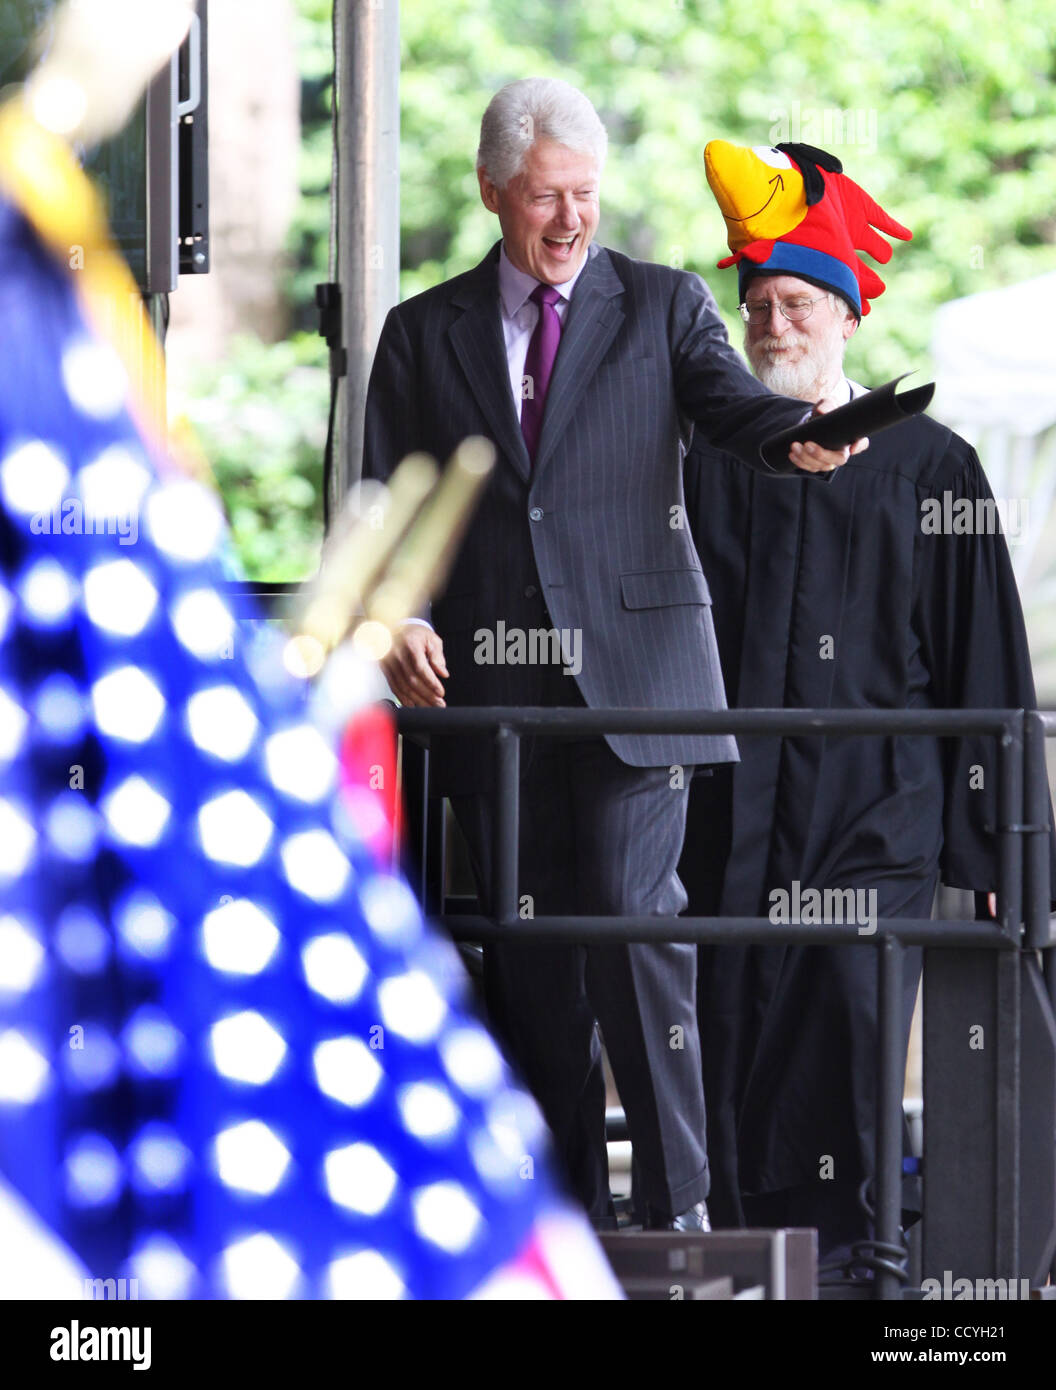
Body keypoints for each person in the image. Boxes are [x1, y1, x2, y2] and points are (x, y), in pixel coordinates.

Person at [362, 83, 864, 1231]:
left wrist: (801, 436)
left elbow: (736, 406)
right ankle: (568, 1219)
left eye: (586, 194)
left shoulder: (663, 304)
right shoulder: (423, 332)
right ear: (493, 192)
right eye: (547, 196)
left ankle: (682, 1210)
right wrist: (402, 612)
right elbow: (379, 504)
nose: (572, 218)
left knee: (636, 923)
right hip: (493, 697)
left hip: (640, 686)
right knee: (533, 957)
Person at [679, 139, 1054, 1264]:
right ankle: (740, 1259)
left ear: (845, 318)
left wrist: (1000, 855)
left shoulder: (930, 467)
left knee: (848, 1031)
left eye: (796, 303)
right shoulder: (708, 457)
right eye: (755, 307)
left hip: (872, 820)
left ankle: (857, 1263)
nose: (772, 326)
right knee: (724, 1033)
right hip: (724, 820)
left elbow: (987, 662)